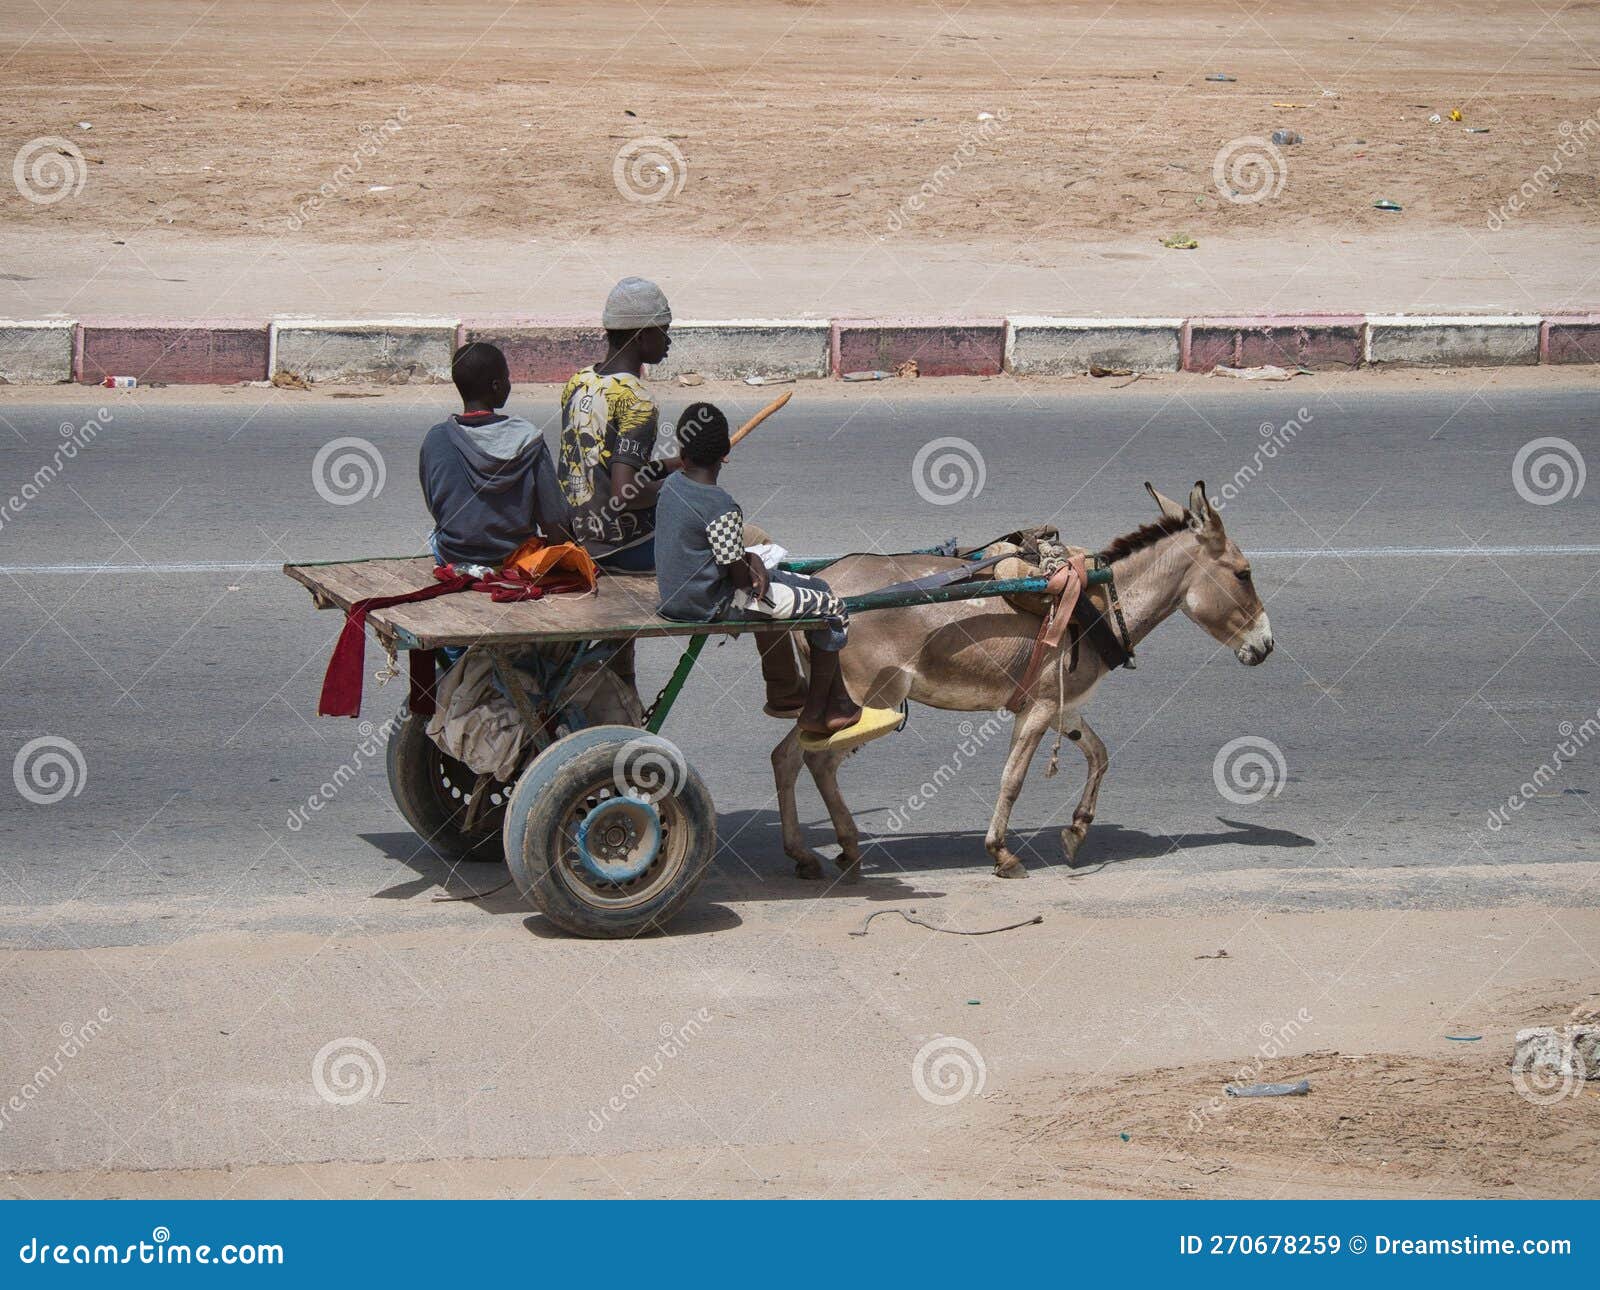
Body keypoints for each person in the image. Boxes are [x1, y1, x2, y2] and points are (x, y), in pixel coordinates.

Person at [560, 277, 806, 717]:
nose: (669, 342)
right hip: (622, 548)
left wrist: (674, 465)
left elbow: (609, 469)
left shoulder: (579, 383)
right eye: (663, 331)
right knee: (759, 542)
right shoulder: (636, 399)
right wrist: (681, 486)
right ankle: (785, 687)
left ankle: (621, 690)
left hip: (583, 537)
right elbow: (625, 493)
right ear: (640, 335)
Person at [656, 403, 862, 737]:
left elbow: (728, 557)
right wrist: (751, 563)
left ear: (682, 451)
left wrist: (750, 558)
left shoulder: (670, 487)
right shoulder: (720, 505)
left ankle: (836, 699)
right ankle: (816, 712)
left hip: (677, 596)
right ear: (725, 453)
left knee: (820, 586)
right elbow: (739, 579)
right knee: (833, 608)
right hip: (713, 603)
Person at [420, 341, 564, 570]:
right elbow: (554, 518)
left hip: (453, 555)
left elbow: (436, 503)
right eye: (507, 378)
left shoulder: (436, 439)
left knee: (433, 537)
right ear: (496, 386)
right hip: (515, 557)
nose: (509, 384)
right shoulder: (528, 437)